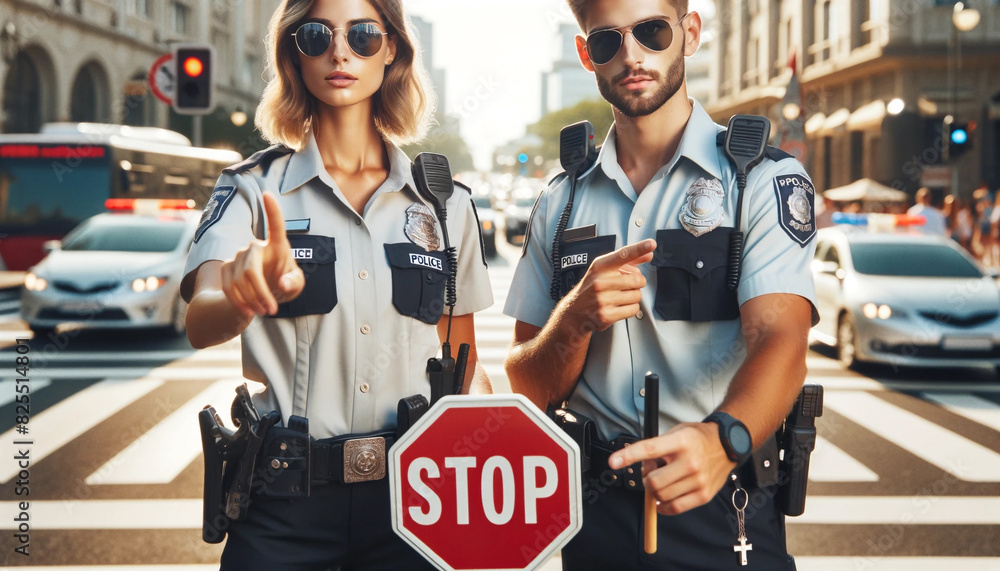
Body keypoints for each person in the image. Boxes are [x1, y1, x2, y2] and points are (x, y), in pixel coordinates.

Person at [503, 0, 817, 569]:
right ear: (586, 55)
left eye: (651, 31)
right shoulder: (560, 199)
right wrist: (574, 319)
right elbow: (527, 383)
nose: (631, 55)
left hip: (720, 496)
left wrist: (722, 440)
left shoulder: (760, 180)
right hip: (593, 511)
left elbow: (783, 342)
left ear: (689, 32)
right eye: (607, 40)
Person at [181, 0, 492, 568]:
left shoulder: (445, 205)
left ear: (391, 47)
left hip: (416, 501)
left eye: (363, 34)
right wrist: (238, 296)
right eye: (317, 35)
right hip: (282, 506)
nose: (340, 52)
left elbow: (462, 358)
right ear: (294, 53)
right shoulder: (250, 189)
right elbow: (200, 320)